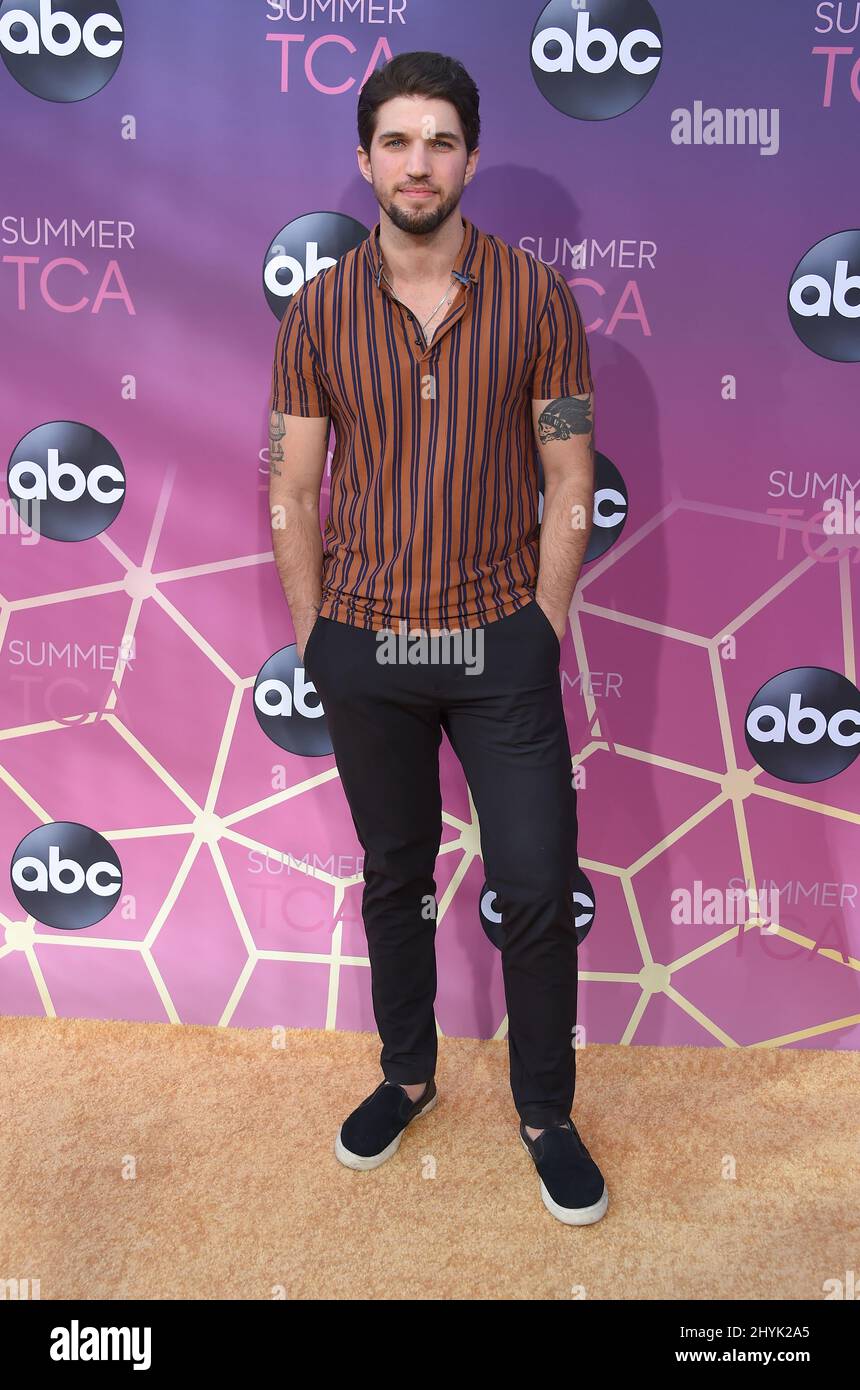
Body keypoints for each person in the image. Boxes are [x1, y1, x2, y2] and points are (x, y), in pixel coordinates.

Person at [268, 51, 607, 1226]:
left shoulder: (536, 297)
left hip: (495, 643)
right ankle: (407, 1073)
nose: (419, 163)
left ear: (467, 157)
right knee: (395, 876)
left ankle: (545, 1109)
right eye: (398, 141)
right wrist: (317, 636)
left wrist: (544, 622)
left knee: (531, 881)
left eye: (442, 141)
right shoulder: (315, 308)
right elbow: (291, 487)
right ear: (364, 159)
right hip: (365, 643)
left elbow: (569, 475)